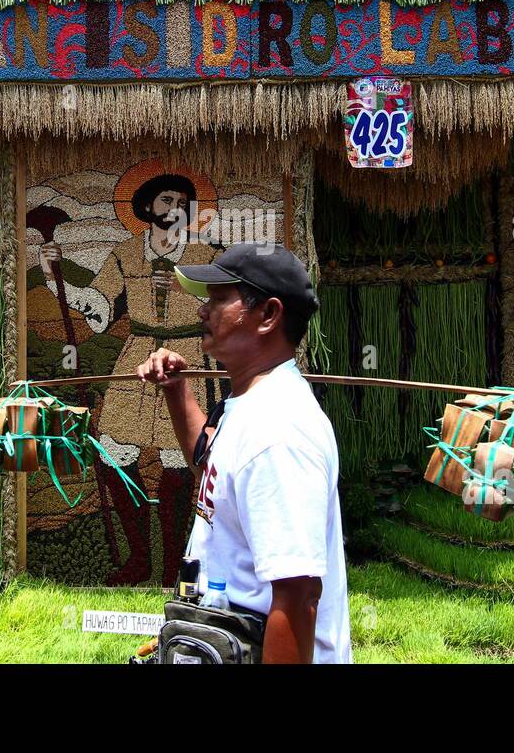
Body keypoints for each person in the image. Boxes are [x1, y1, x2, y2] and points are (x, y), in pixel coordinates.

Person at [136, 242, 352, 664]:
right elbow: (215, 468)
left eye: (218, 300)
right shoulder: (251, 404)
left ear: (269, 315)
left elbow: (298, 595)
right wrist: (177, 390)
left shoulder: (279, 430)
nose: (202, 311)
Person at [38, 171, 220, 586]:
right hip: (136, 358)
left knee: (181, 459)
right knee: (113, 451)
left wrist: (184, 286)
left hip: (186, 357)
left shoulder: (204, 255)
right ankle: (139, 558)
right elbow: (100, 307)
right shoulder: (123, 253)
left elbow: (222, 300)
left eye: (180, 201)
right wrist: (55, 278)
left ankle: (174, 565)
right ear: (147, 207)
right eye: (165, 200)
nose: (173, 208)